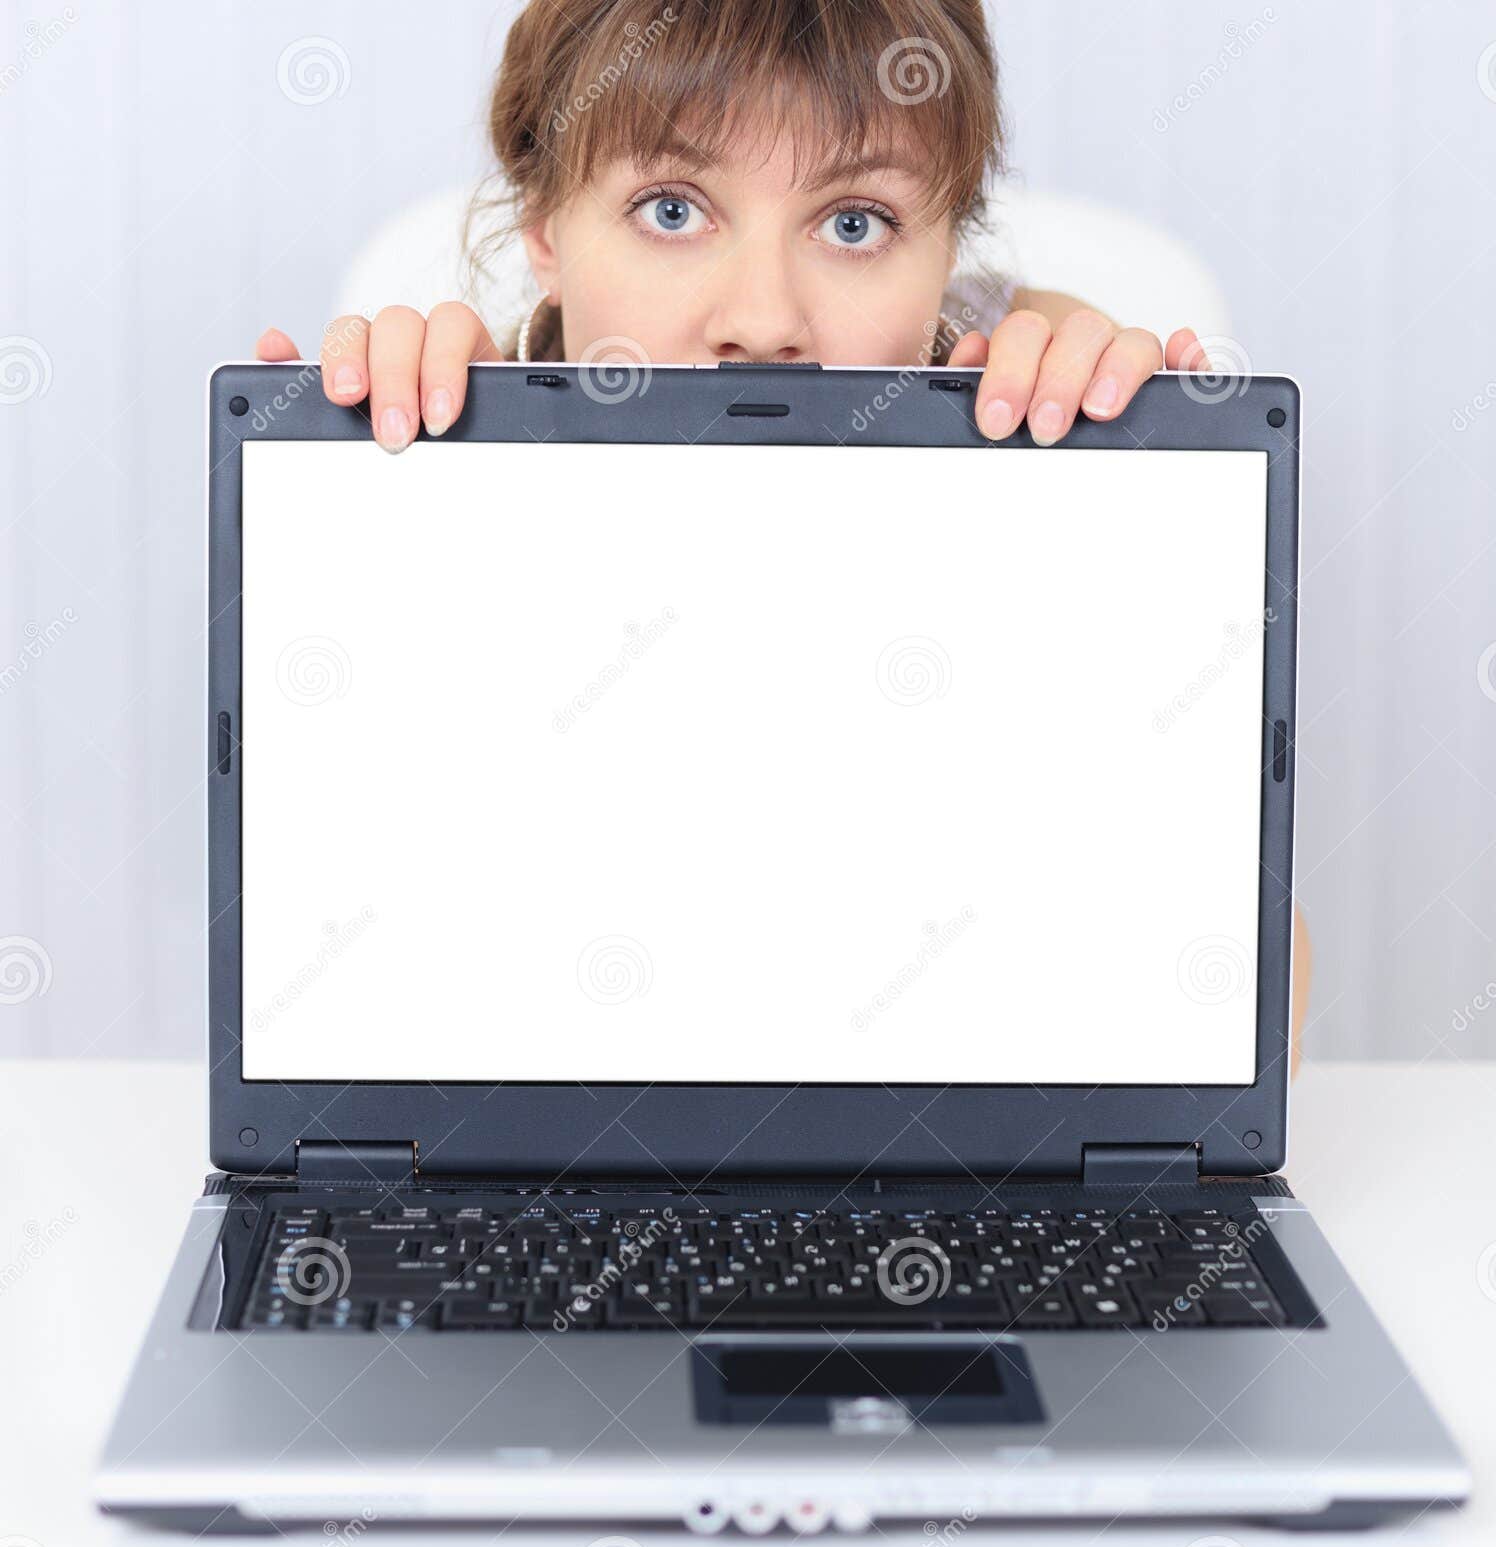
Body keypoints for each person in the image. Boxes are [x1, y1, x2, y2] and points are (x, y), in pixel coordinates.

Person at [254, 0, 1310, 1068]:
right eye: (672, 210)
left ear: (950, 254)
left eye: (855, 224)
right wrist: (403, 534)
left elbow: (1238, 1039)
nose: (762, 321)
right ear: (544, 236)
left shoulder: (1026, 486)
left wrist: (1129, 564)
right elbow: (373, 1023)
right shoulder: (447, 481)